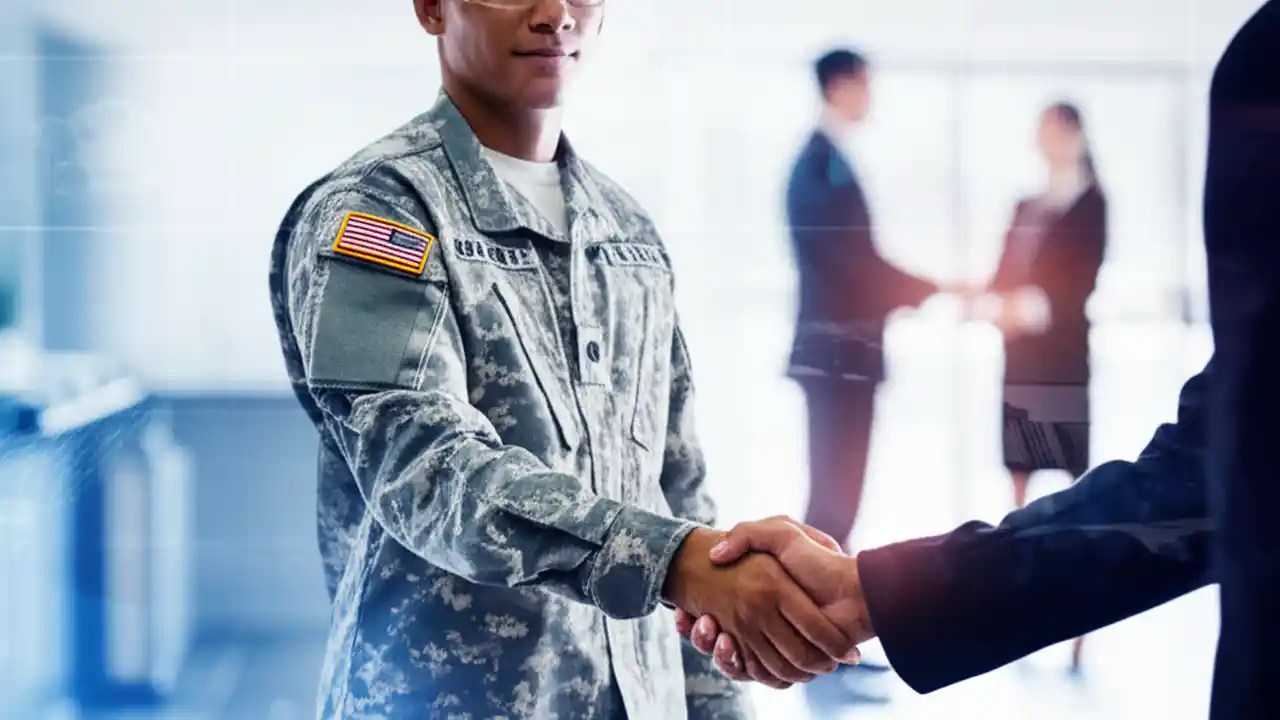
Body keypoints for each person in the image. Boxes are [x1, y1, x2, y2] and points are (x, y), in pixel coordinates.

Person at [681, 5, 1280, 714]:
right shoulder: (824, 166)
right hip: (873, 360)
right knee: (849, 493)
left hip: (1043, 360)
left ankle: (836, 649)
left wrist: (872, 592)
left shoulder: (1257, 69)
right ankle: (829, 654)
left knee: (851, 493)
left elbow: (1215, 471)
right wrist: (873, 592)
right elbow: (1218, 470)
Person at [266, 1, 858, 717]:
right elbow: (426, 470)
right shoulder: (381, 211)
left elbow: (678, 491)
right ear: (431, 8)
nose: (554, 14)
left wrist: (716, 692)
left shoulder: (625, 231)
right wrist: (673, 561)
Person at [785, 49, 937, 556]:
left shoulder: (831, 161)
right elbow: (851, 264)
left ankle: (821, 591)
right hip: (838, 353)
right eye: (865, 85)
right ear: (839, 86)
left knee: (841, 496)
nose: (871, 97)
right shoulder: (820, 166)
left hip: (844, 353)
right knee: (834, 500)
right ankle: (812, 594)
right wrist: (930, 289)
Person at [977, 101, 1107, 672]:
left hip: (1063, 362)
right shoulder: (1026, 204)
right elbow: (1000, 275)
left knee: (1077, 490)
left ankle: (1078, 628)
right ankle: (1018, 612)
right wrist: (996, 304)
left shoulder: (1091, 202)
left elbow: (1080, 281)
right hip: (1020, 361)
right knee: (1018, 487)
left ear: (1075, 134)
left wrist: (1026, 305)